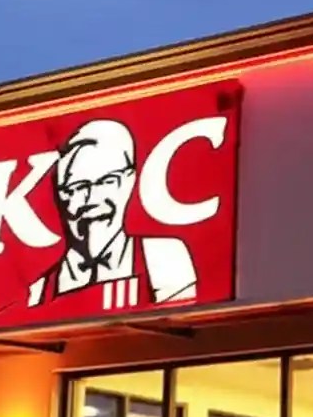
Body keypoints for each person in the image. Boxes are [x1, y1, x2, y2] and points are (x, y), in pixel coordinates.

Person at [27, 119, 199, 311]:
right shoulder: (39, 291)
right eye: (79, 187)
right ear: (62, 195)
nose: (92, 199)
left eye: (107, 181)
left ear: (129, 181)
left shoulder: (163, 257)